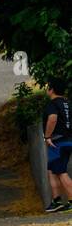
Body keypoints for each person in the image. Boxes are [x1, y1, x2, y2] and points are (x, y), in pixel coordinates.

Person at [42, 83, 72, 212]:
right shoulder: (68, 103)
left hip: (58, 142)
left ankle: (71, 201)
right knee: (52, 170)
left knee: (61, 172)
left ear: (52, 90)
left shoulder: (53, 104)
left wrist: (47, 136)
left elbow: (52, 118)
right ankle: (57, 200)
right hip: (68, 140)